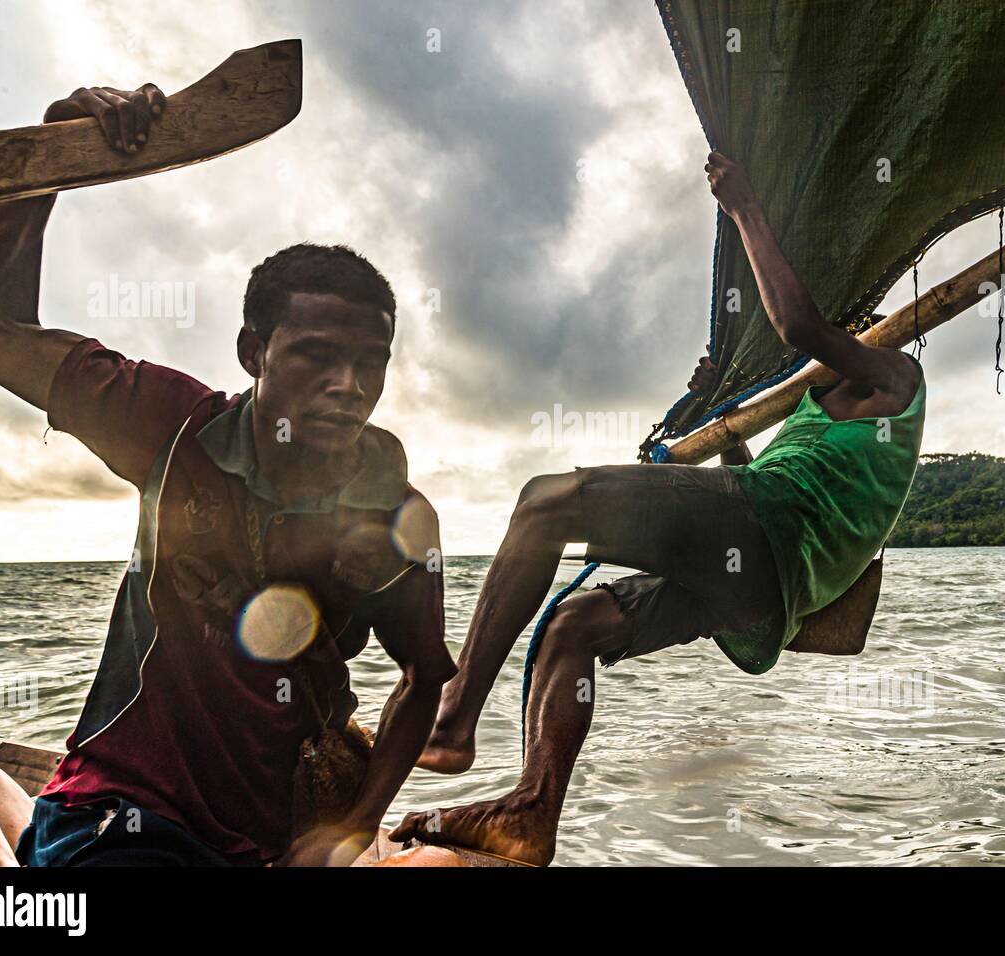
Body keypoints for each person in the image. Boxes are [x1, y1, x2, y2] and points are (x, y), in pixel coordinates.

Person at [0, 82, 455, 866]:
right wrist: (52, 156)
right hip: (123, 810)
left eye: (369, 362)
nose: (348, 385)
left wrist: (355, 826)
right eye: (317, 355)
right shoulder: (169, 424)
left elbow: (421, 678)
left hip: (272, 831)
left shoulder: (392, 513)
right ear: (255, 354)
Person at [391, 151, 926, 865]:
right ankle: (530, 811)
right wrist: (715, 415)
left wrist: (745, 210)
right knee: (574, 626)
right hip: (757, 577)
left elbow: (799, 328)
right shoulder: (813, 412)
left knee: (545, 503)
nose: (853, 336)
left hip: (770, 543)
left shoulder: (899, 375)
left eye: (858, 326)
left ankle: (453, 718)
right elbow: (750, 478)